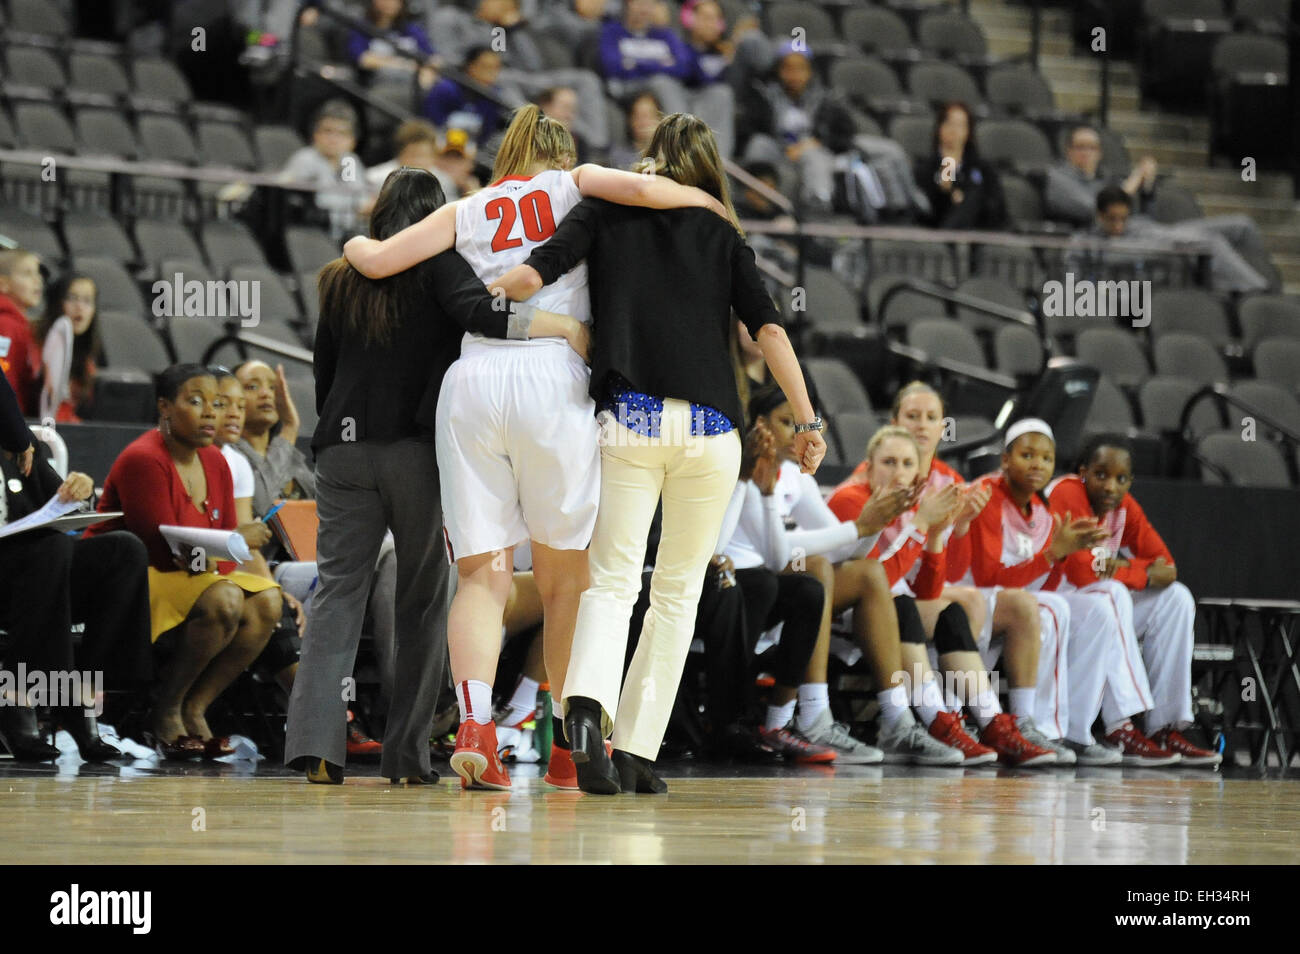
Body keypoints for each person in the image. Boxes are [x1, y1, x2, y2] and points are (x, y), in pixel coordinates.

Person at [343, 104, 724, 791]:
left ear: (509, 151)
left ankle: (474, 729)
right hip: (556, 376)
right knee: (565, 580)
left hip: (472, 383)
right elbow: (642, 190)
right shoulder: (578, 183)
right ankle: (559, 750)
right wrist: (706, 198)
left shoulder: (468, 206)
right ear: (561, 150)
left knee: (482, 578)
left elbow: (373, 260)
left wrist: (350, 247)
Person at [493, 114, 829, 794]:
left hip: (632, 421)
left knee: (612, 579)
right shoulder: (722, 231)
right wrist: (806, 418)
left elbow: (535, 273)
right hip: (709, 432)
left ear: (649, 161)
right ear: (709, 171)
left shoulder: (603, 210)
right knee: (676, 593)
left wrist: (480, 291)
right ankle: (639, 751)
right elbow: (767, 329)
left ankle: (584, 711)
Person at [287, 166, 584, 784]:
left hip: (341, 452)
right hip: (417, 453)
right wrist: (563, 327)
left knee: (337, 594)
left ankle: (318, 749)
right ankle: (408, 755)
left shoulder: (338, 279)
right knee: (424, 602)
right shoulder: (442, 264)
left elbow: (324, 373)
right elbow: (484, 317)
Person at [836, 381, 1082, 763]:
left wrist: (945, 532)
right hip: (850, 606)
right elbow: (876, 580)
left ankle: (994, 722)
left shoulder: (934, 487)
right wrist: (923, 526)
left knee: (950, 611)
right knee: (918, 605)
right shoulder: (857, 495)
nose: (920, 426)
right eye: (889, 462)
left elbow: (934, 582)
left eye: (931, 418)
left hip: (906, 598)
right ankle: (932, 720)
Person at [732, 387, 964, 766]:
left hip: (787, 592)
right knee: (819, 567)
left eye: (803, 425)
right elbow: (779, 553)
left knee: (867, 571)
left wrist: (873, 524)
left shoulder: (797, 476)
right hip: (744, 589)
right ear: (760, 426)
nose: (797, 434)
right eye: (787, 423)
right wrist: (863, 525)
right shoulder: (742, 469)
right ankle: (813, 714)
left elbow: (847, 550)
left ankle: (896, 719)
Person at [85, 365, 283, 760]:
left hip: (196, 576)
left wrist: (233, 545)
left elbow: (226, 551)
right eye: (195, 401)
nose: (210, 413)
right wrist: (233, 542)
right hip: (137, 579)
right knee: (224, 599)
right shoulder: (144, 458)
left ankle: (196, 706)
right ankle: (166, 709)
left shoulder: (217, 462)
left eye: (217, 404)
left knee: (267, 601)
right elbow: (156, 548)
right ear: (164, 406)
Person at [965, 418, 1182, 766]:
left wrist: (1116, 567)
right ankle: (1052, 727)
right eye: (1027, 455)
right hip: (973, 596)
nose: (1037, 464)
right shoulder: (988, 495)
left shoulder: (1039, 510)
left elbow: (1166, 568)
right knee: (1067, 607)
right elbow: (991, 576)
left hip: (1023, 596)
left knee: (1100, 607)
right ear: (1005, 459)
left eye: (1046, 458)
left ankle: (1078, 732)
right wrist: (1056, 554)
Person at [1048, 434, 1221, 766]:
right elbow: (1083, 572)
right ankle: (1122, 725)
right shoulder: (1067, 491)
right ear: (1083, 473)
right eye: (1101, 475)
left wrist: (1124, 568)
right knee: (1113, 595)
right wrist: (1133, 572)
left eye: (1120, 478)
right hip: (1054, 600)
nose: (1111, 486)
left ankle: (1164, 726)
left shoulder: (1123, 507)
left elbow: (1167, 568)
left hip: (1094, 606)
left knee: (1177, 598)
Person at [0, 402, 151, 762]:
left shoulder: (15, 448)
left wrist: (81, 491)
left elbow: (70, 507)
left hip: (35, 578)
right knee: (50, 548)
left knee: (123, 550)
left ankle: (78, 688)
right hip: (20, 577)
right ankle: (17, 693)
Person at [1076, 186, 1269, 294]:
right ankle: (1256, 290)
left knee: (1243, 225)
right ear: (1099, 216)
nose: (1118, 225)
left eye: (1122, 219)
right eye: (1112, 219)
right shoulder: (1092, 241)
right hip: (1152, 243)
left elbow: (1158, 228)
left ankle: (1254, 276)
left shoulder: (1132, 223)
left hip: (1156, 230)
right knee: (1209, 242)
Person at [738, 44, 856, 215]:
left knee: (813, 156)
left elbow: (845, 135)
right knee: (759, 143)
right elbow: (748, 130)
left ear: (810, 72)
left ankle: (818, 206)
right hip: (779, 151)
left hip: (814, 152)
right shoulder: (764, 95)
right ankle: (756, 198)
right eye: (788, 68)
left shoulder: (826, 100)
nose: (794, 75)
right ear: (778, 70)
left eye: (801, 69)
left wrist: (818, 142)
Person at [277, 100, 370, 238]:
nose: (333, 139)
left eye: (342, 133)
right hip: (313, 235)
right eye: (327, 131)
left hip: (346, 234)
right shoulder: (305, 159)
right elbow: (314, 207)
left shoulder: (349, 161)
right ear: (315, 135)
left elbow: (357, 198)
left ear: (352, 141)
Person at [914, 102, 1006, 230]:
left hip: (977, 232)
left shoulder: (983, 169)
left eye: (960, 125)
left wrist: (964, 198)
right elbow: (923, 213)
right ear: (939, 128)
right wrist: (945, 193)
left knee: (974, 195)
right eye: (950, 123)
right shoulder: (925, 169)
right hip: (936, 232)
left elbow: (996, 208)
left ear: (968, 132)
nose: (954, 130)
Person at [38, 274, 103, 423]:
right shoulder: (36, 345)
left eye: (87, 301)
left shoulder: (88, 360)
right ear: (56, 303)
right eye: (72, 298)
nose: (80, 307)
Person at [422, 46, 511, 146]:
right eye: (485, 67)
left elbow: (486, 134)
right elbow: (430, 124)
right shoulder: (445, 89)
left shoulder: (494, 97)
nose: (492, 73)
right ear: (470, 65)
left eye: (496, 68)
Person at [347, 0, 437, 82]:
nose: (389, 3)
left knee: (444, 87)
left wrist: (427, 72)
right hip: (377, 84)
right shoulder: (363, 27)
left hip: (413, 84)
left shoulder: (410, 29)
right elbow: (362, 59)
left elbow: (433, 57)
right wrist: (405, 65)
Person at [0, 248, 42, 416]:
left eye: (38, 273)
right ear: (3, 284)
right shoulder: (5, 325)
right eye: (27, 274)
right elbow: (4, 380)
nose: (37, 280)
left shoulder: (21, 325)